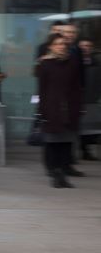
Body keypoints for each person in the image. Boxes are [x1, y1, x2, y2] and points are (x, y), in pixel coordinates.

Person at [36, 33, 84, 187]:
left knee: (66, 144)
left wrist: (79, 107)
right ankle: (55, 174)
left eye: (63, 44)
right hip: (52, 109)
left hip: (70, 109)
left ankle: (63, 174)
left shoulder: (73, 62)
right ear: (51, 46)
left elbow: (78, 87)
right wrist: (43, 110)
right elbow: (42, 89)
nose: (61, 46)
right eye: (57, 44)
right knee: (52, 143)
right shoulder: (45, 64)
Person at [78, 38, 101, 160]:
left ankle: (86, 149)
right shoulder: (74, 62)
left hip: (92, 99)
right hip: (78, 99)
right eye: (83, 45)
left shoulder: (96, 62)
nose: (85, 48)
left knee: (90, 127)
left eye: (88, 45)